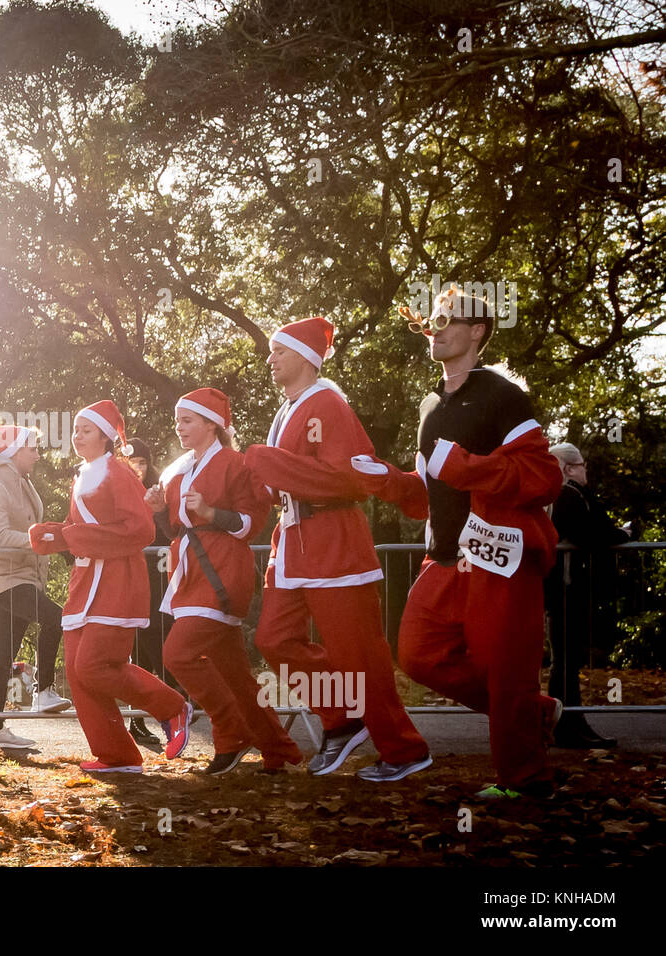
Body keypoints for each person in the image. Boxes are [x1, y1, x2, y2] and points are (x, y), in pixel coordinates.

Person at [352, 286, 564, 799]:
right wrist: (384, 479)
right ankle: (531, 713)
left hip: (499, 557)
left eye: (450, 320)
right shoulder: (431, 406)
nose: (437, 327)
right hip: (444, 556)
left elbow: (544, 475)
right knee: (418, 655)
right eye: (434, 319)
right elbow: (428, 491)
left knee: (506, 668)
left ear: (477, 332)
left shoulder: (502, 395)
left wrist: (469, 468)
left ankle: (524, 781)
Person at [244, 316, 432, 782]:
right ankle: (344, 717)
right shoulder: (287, 410)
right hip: (292, 547)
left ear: (306, 358)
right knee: (272, 639)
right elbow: (286, 479)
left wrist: (273, 466)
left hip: (335, 545)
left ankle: (403, 749)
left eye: (279, 351)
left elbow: (349, 477)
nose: (270, 359)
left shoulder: (327, 404)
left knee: (359, 655)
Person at [146, 388, 303, 774]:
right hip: (191, 573)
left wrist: (212, 511)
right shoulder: (181, 470)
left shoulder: (236, 463)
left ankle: (231, 731)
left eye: (187, 420)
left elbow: (252, 521)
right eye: (178, 420)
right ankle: (278, 750)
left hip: (222, 572)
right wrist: (157, 511)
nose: (179, 427)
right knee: (236, 674)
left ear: (211, 424)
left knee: (177, 654)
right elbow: (177, 530)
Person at [30, 400, 189, 773]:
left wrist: (74, 535)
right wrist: (53, 535)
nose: (77, 435)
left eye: (86, 430)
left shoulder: (118, 474)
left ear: (105, 436)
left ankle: (173, 707)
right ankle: (117, 755)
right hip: (84, 584)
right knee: (75, 670)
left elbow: (141, 531)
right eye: (75, 429)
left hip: (117, 583)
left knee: (96, 665)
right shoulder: (82, 474)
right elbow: (79, 530)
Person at [0, 425, 72, 750]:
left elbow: (29, 527)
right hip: (5, 579)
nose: (38, 454)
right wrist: (44, 540)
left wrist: (52, 536)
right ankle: (42, 692)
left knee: (3, 652)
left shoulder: (20, 482)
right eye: (33, 448)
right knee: (56, 618)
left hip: (23, 577)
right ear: (14, 451)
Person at [544, 442, 630, 748]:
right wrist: (625, 535)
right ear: (568, 468)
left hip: (561, 587)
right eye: (582, 465)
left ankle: (566, 723)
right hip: (565, 588)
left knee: (565, 659)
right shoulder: (568, 494)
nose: (586, 470)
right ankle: (567, 724)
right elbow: (592, 533)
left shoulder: (556, 495)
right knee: (565, 660)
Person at [123, 437, 184, 749]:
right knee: (138, 649)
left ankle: (175, 705)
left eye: (143, 463)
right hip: (132, 581)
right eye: (132, 463)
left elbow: (169, 527)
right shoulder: (119, 488)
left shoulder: (159, 489)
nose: (138, 469)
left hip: (160, 580)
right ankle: (137, 719)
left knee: (162, 640)